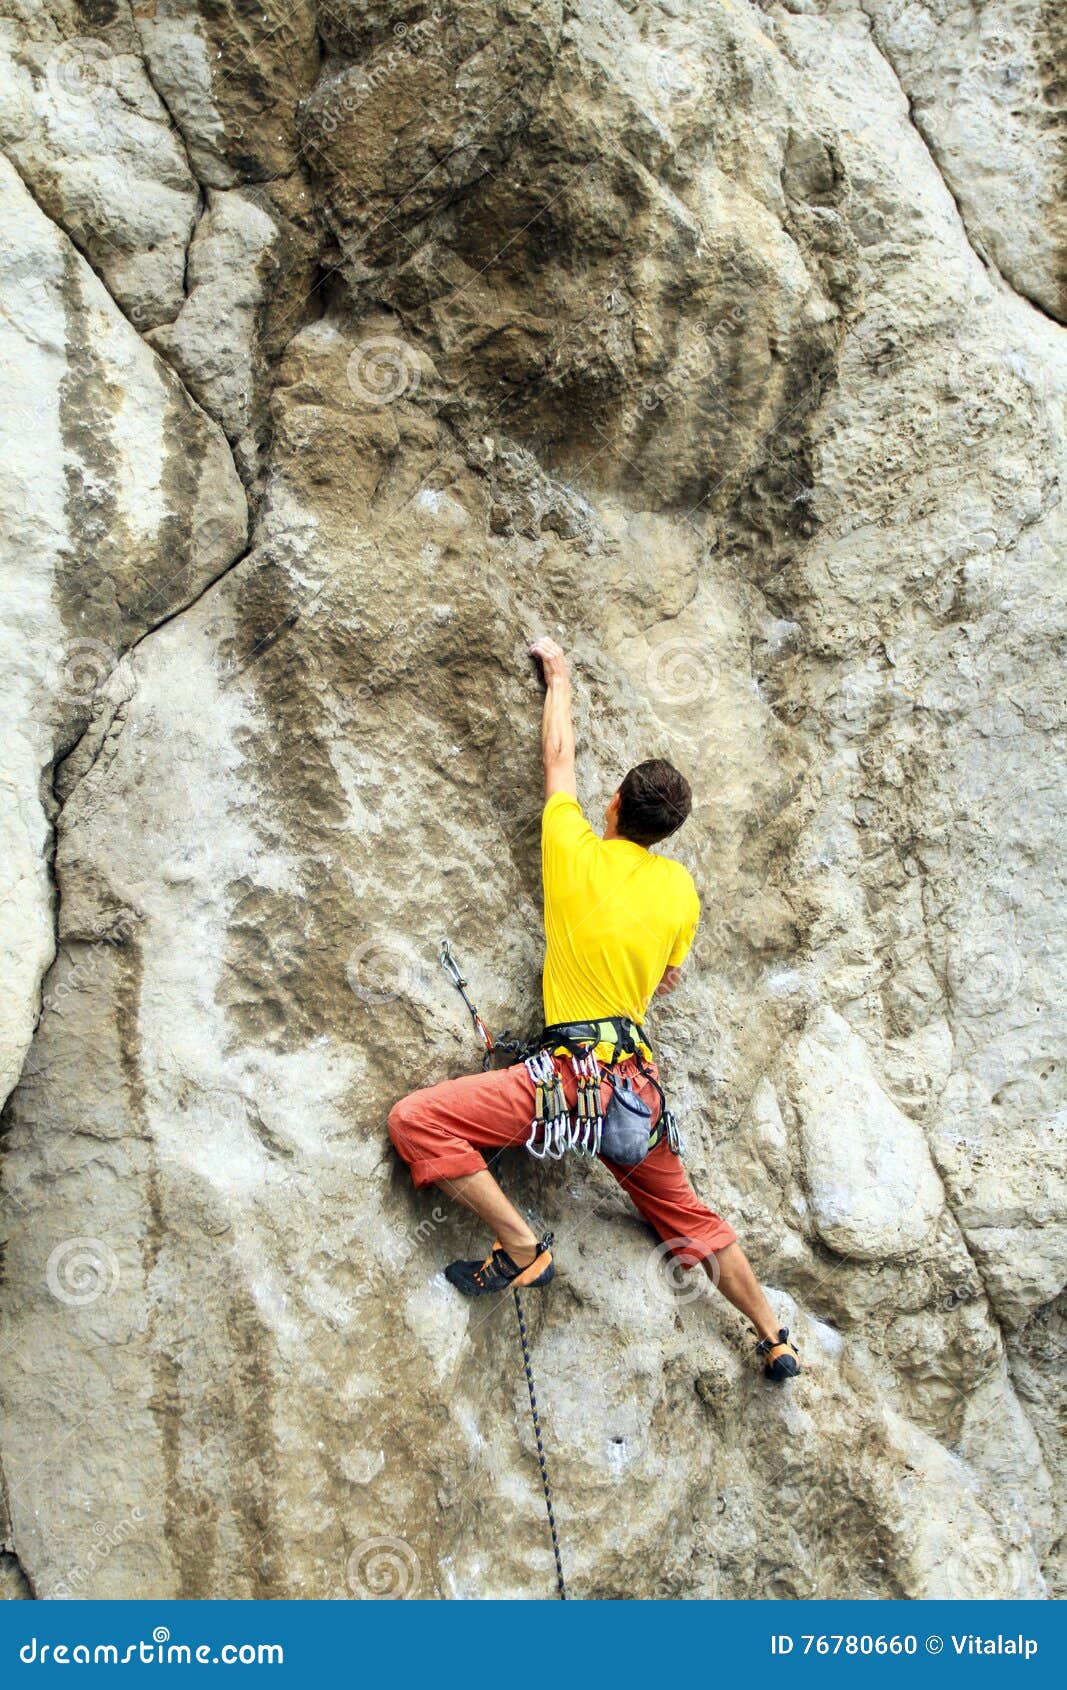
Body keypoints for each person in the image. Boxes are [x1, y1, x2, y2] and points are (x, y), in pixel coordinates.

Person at [387, 637, 799, 1381]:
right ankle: (772, 1336)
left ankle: (521, 1246)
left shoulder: (572, 848)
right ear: (670, 833)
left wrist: (559, 674)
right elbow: (664, 982)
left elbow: (556, 761)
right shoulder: (679, 892)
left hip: (566, 1082)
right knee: (688, 1218)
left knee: (417, 1121)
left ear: (612, 805)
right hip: (633, 1091)